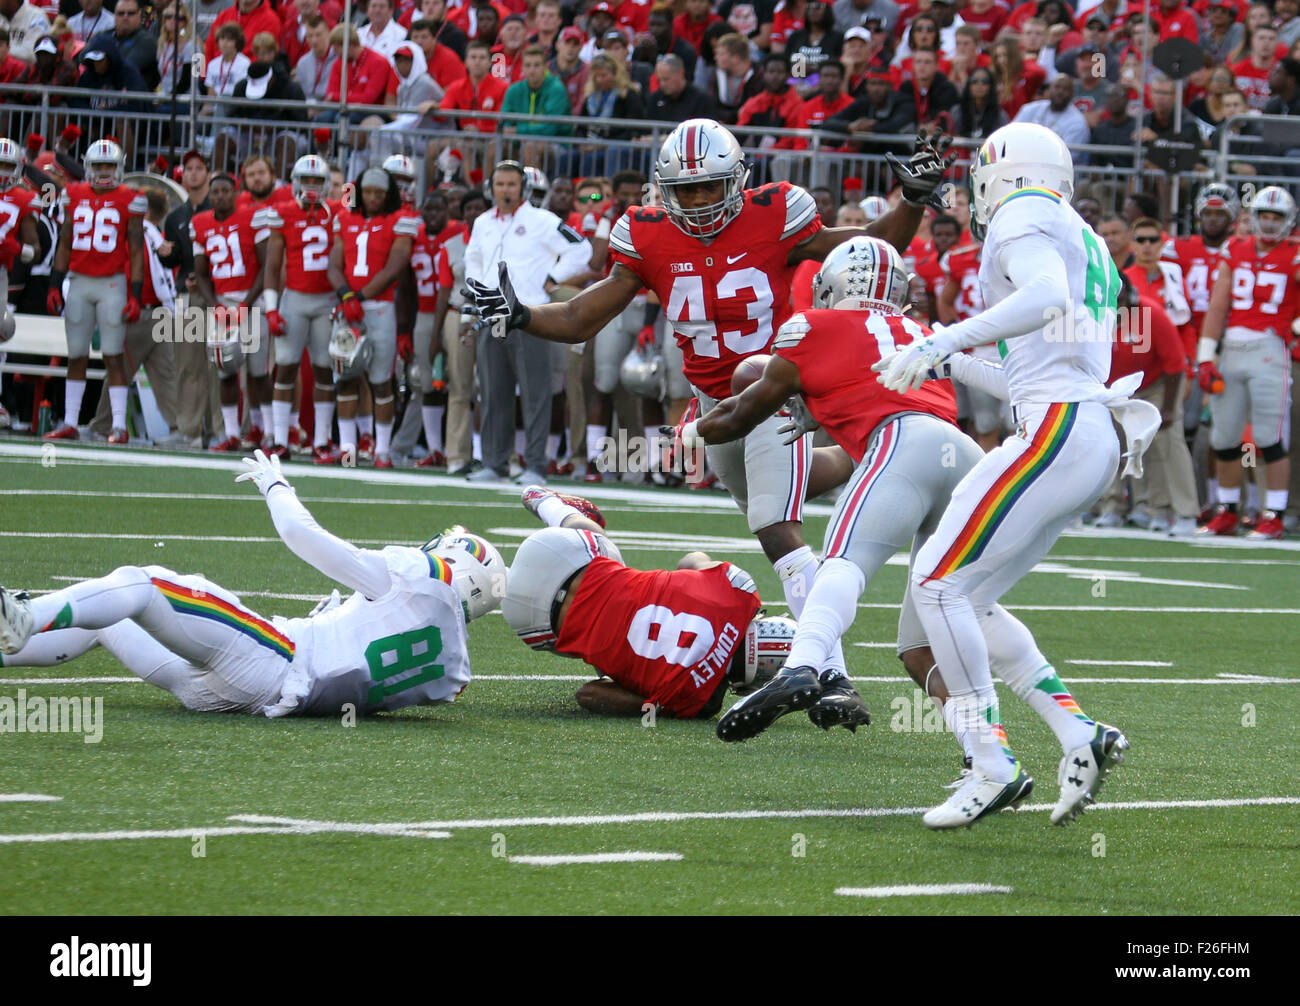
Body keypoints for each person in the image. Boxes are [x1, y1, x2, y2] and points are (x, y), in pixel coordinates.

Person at [463, 120, 951, 724]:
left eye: (708, 188)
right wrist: (523, 314)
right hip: (712, 398)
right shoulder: (645, 235)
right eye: (684, 191)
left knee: (777, 527)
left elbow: (873, 244)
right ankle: (864, 460)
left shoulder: (775, 214)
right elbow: (584, 315)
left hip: (772, 387)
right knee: (766, 512)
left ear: (737, 179)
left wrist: (913, 198)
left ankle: (829, 674)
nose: (695, 203)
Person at [871, 122, 1146, 829]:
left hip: (1061, 428)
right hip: (1078, 430)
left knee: (936, 582)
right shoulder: (1074, 228)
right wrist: (940, 354)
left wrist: (946, 336)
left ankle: (989, 763)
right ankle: (1077, 730)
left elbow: (1046, 298)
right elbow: (1029, 375)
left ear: (1002, 173)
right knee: (973, 597)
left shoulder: (1024, 214)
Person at [0, 455, 504, 719]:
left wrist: (276, 484)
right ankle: (12, 634)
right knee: (112, 612)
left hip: (273, 658)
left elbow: (302, 536)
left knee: (143, 583)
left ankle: (26, 615)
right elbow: (359, 655)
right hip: (247, 697)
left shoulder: (420, 580)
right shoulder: (447, 676)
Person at [505, 486, 795, 719]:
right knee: (603, 655)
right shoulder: (695, 701)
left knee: (603, 549)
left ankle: (546, 502)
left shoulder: (739, 591)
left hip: (560, 551)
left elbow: (690, 559)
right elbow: (589, 694)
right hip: (536, 623)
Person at [463, 161, 592, 486]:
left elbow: (581, 248)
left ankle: (535, 465)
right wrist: (476, 295)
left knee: (535, 394)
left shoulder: (542, 221)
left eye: (511, 184)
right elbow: (473, 259)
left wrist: (553, 278)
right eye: (500, 184)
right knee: (493, 391)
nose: (505, 190)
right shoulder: (482, 222)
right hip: (491, 313)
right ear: (490, 187)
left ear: (523, 187)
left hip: (530, 314)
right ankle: (494, 463)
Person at [1196, 186, 1298, 541]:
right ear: (1253, 217)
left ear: (1289, 221)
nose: (1270, 224)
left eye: (1277, 217)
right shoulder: (1235, 249)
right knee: (1224, 437)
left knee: (1269, 437)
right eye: (1265, 216)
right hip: (1233, 349)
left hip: (1270, 349)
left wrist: (1295, 327)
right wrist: (1206, 357)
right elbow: (1218, 306)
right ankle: (1228, 511)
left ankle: (1274, 514)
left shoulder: (1295, 254)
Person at [44, 140, 145, 444]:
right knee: (76, 355)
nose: (103, 172)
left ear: (119, 168)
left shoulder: (130, 198)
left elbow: (137, 251)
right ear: (88, 167)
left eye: (109, 166)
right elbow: (64, 241)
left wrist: (135, 294)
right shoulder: (73, 194)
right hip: (78, 280)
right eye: (99, 166)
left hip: (112, 283)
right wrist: (54, 284)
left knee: (113, 356)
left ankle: (118, 426)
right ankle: (71, 422)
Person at [324, 167, 417, 468]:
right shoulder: (344, 218)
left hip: (379, 308)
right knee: (346, 379)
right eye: (368, 191)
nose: (374, 197)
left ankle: (382, 453)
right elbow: (333, 266)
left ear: (389, 193)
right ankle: (348, 452)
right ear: (359, 191)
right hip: (349, 308)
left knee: (381, 382)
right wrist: (346, 296)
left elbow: (395, 267)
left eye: (380, 192)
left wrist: (358, 297)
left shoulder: (400, 220)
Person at [260, 155, 337, 462]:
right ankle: (280, 440)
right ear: (295, 182)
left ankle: (321, 441)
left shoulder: (338, 212)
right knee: (286, 368)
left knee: (324, 370)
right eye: (307, 180)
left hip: (327, 301)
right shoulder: (282, 214)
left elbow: (352, 199)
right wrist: (270, 308)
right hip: (294, 298)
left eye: (318, 181)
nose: (312, 187)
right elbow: (273, 265)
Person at [192, 172, 271, 453]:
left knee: (258, 371)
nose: (220, 196)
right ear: (210, 196)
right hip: (223, 305)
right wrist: (215, 305)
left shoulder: (253, 217)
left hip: (253, 303)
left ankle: (265, 430)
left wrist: (245, 304)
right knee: (225, 370)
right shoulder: (200, 224)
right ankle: (232, 433)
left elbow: (266, 267)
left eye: (226, 191)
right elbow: (200, 274)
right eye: (216, 192)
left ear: (235, 193)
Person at [1013, 71, 1089, 147]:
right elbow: (1012, 133)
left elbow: (1068, 156)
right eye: (1057, 87)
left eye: (1066, 89)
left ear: (1072, 93)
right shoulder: (1029, 109)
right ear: (1049, 90)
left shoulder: (1077, 122)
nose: (1060, 92)